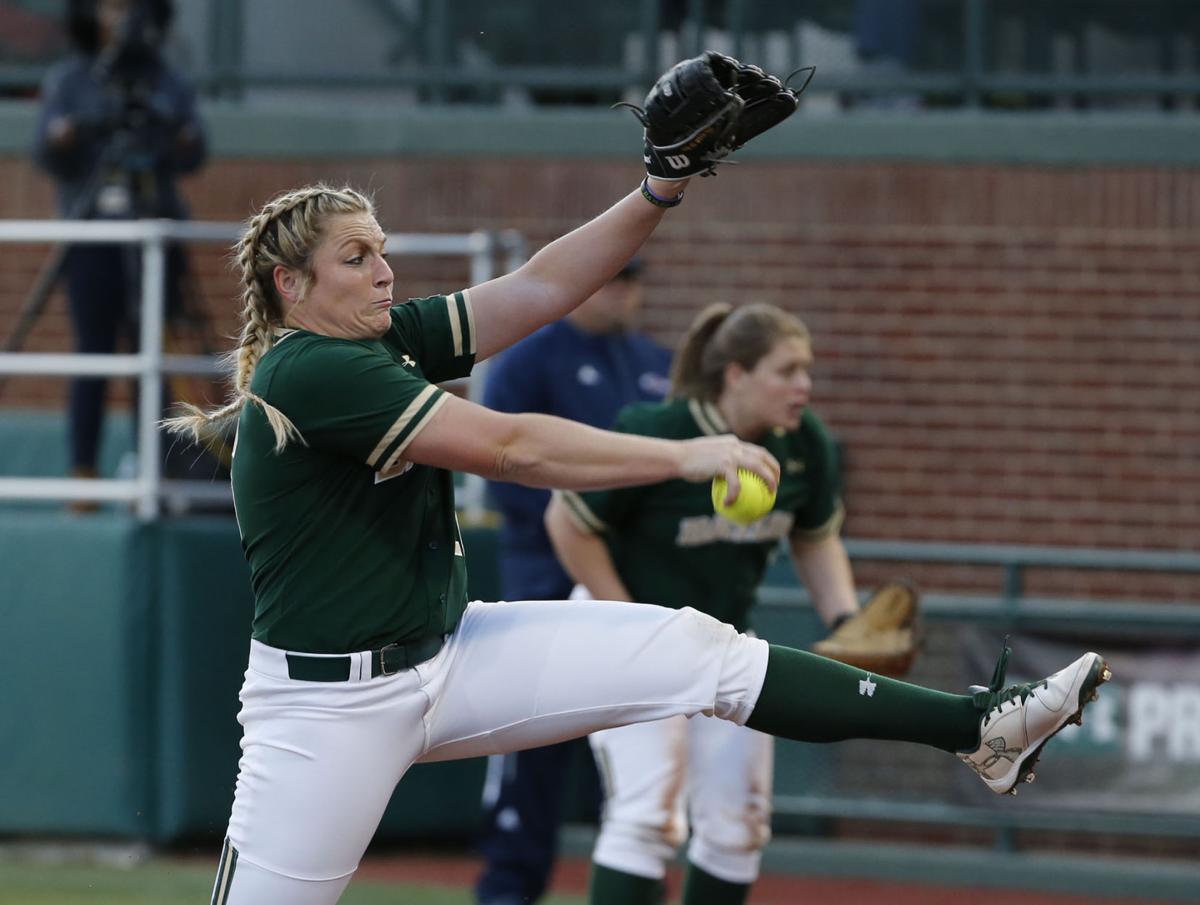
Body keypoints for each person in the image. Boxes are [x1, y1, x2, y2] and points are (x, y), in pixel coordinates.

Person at [166, 173, 1108, 905]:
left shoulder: (384, 341)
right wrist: (686, 454)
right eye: (356, 257)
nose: (385, 270)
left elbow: (543, 285)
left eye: (382, 250)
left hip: (449, 654)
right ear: (291, 283)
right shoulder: (308, 369)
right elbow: (512, 447)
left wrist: (659, 186)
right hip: (329, 708)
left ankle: (980, 729)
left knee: (703, 652)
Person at [543, 302, 883, 904]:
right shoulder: (662, 429)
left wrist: (845, 619)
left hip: (720, 640)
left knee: (738, 825)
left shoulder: (805, 443)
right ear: (736, 374)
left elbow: (815, 538)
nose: (804, 385)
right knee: (647, 815)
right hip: (625, 630)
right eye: (787, 370)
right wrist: (631, 623)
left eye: (807, 370)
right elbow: (567, 523)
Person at [476, 261, 673, 905]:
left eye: (633, 281)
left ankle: (638, 884)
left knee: (646, 758)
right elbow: (500, 467)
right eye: (613, 279)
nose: (624, 293)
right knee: (531, 743)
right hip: (545, 585)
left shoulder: (653, 363)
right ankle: (508, 890)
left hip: (628, 590)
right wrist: (588, 524)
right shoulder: (529, 360)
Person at [33, 0, 207, 503]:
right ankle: (82, 476)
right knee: (92, 351)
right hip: (92, 237)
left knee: (152, 352)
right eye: (111, 6)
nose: (122, 18)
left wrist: (172, 133)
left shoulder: (166, 79)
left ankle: (154, 474)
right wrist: (69, 135)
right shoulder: (70, 79)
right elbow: (45, 151)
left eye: (131, 6)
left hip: (154, 234)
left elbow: (195, 148)